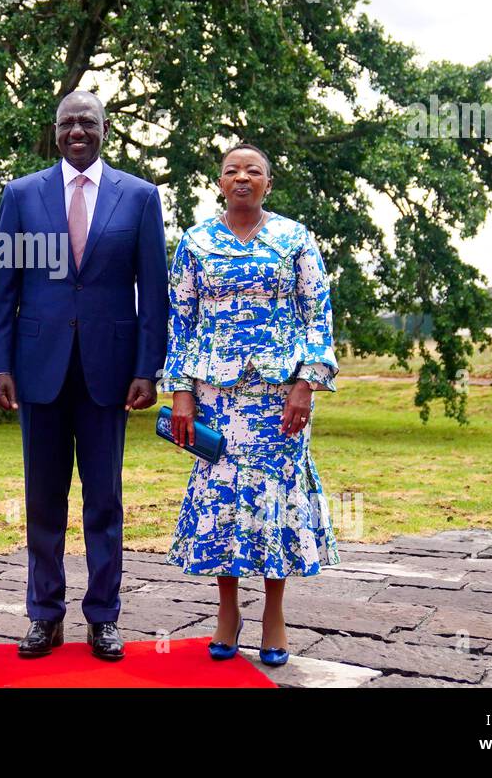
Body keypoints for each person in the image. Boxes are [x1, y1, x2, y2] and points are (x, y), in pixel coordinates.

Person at [0, 90, 168, 661]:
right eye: (68, 123)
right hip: (38, 371)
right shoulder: (21, 195)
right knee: (42, 500)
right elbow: (3, 288)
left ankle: (104, 617)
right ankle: (44, 615)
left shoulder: (139, 197)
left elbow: (154, 291)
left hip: (109, 374)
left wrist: (147, 366)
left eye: (88, 121)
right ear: (56, 131)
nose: (78, 131)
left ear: (104, 129)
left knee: (104, 501)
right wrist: (0, 364)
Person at [163, 142, 341, 666]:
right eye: (231, 170)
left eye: (253, 170)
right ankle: (226, 610)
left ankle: (274, 613)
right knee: (221, 500)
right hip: (216, 397)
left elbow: (318, 316)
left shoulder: (296, 239)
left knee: (274, 500)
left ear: (268, 181)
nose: (242, 177)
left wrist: (306, 383)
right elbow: (181, 322)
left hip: (279, 399)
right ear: (219, 182)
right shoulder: (196, 242)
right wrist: (181, 393)